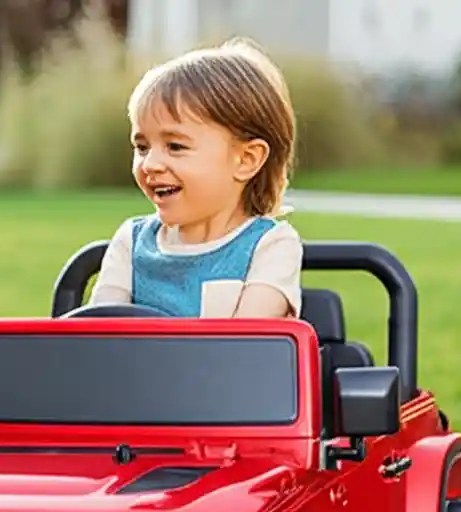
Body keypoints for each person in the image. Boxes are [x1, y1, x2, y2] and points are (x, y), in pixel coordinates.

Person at [88, 37, 303, 319]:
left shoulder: (271, 246)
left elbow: (248, 347)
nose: (150, 163)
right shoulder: (131, 243)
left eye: (175, 147)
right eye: (142, 147)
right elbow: (96, 336)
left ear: (246, 160)